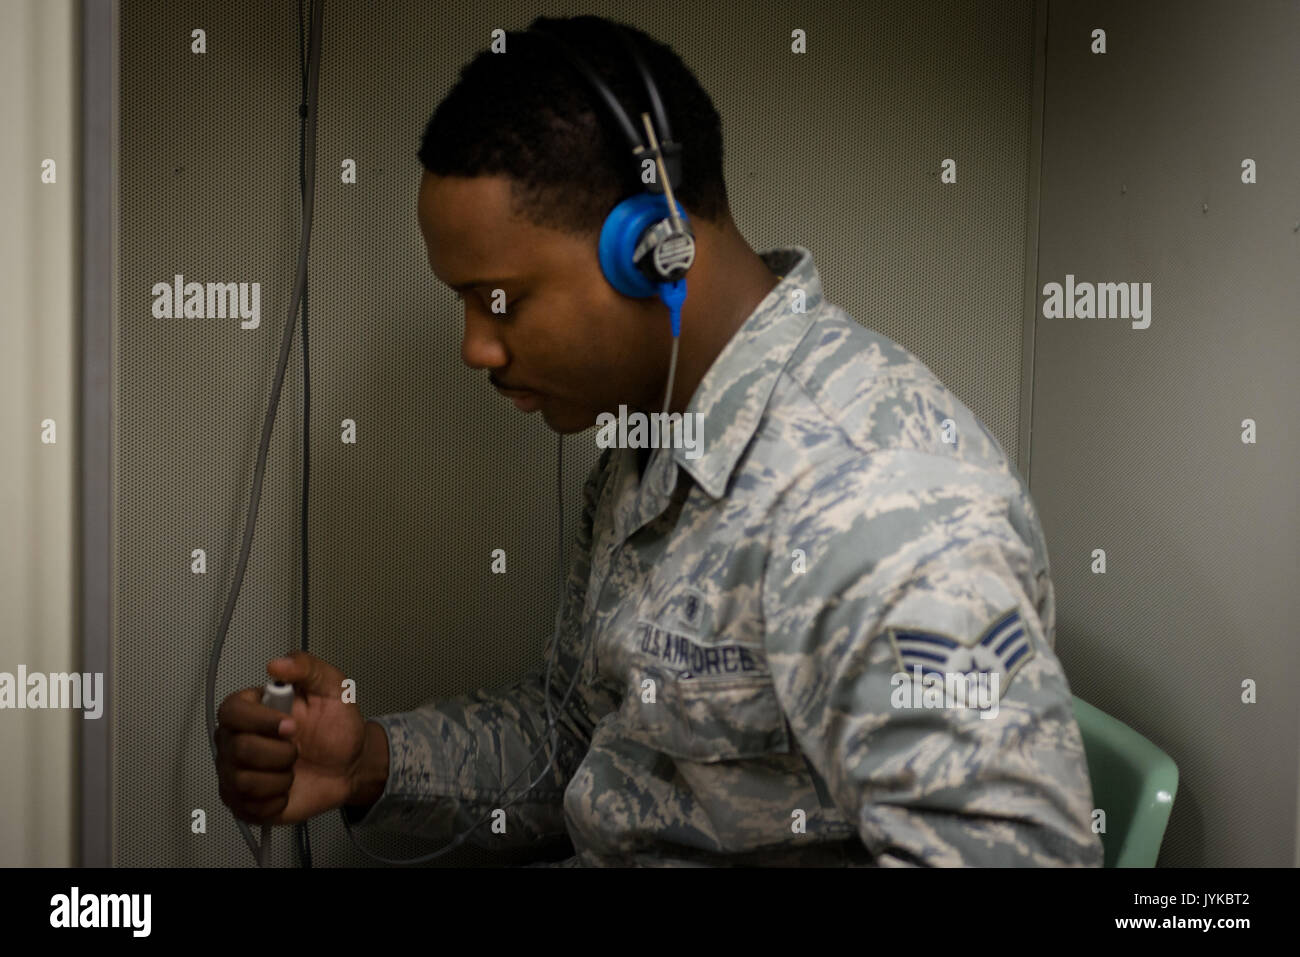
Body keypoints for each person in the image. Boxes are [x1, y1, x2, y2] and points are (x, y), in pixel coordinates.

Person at [215, 14, 1103, 866]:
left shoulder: (877, 508)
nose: (474, 347)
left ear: (654, 249)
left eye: (499, 300)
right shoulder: (653, 440)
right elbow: (586, 734)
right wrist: (369, 758)